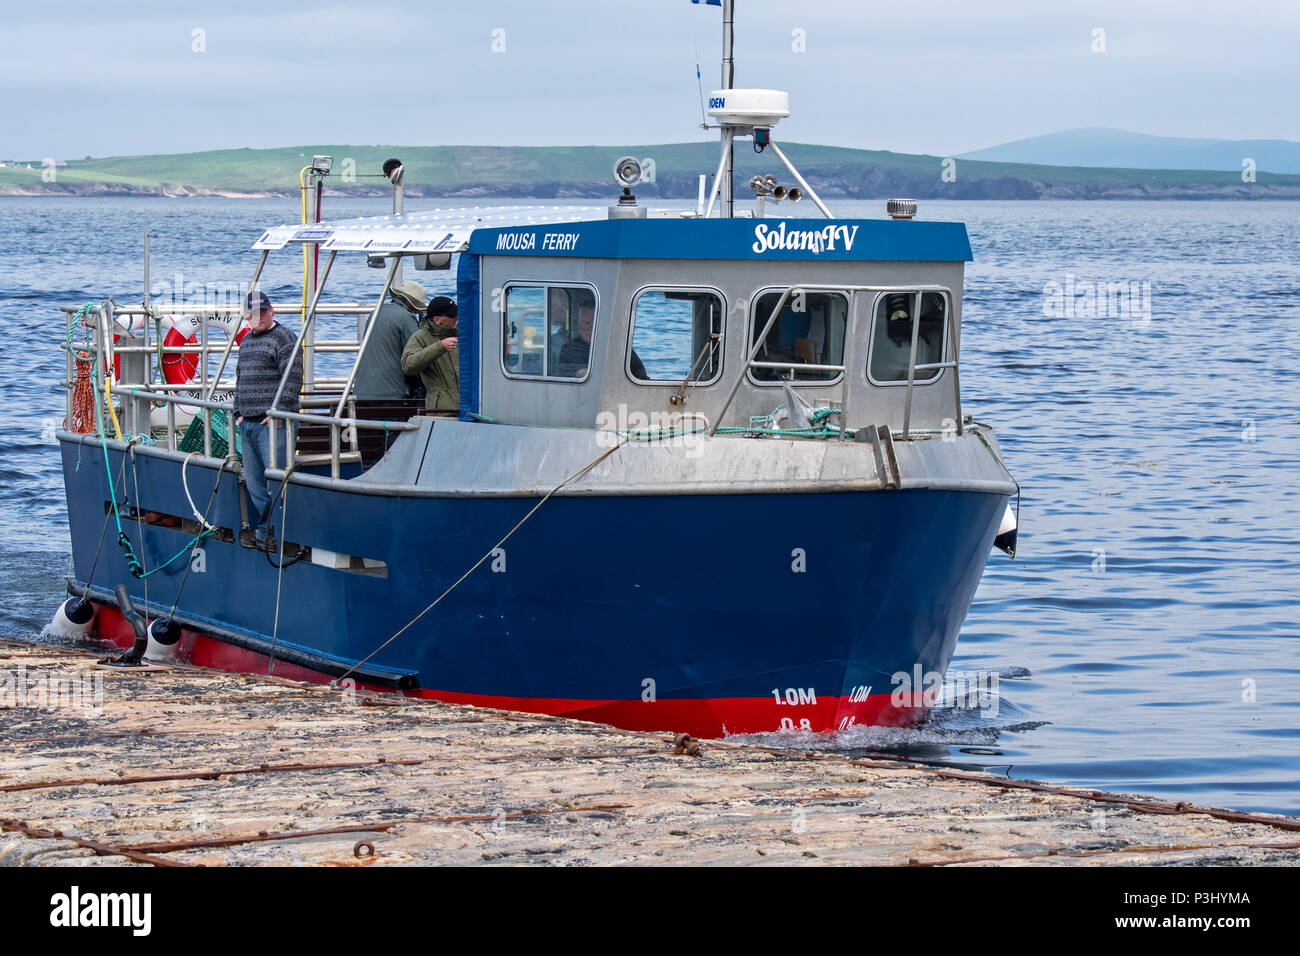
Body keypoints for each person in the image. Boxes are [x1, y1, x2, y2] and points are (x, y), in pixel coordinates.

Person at [235, 290, 302, 549]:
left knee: (277, 482)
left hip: (273, 424)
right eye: (252, 313)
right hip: (249, 423)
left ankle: (277, 534)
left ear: (271, 310)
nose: (257, 317)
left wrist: (279, 412)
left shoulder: (285, 338)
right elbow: (240, 377)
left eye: (261, 312)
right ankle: (266, 532)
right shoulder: (247, 341)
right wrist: (237, 412)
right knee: (255, 486)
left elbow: (293, 378)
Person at [354, 280, 426, 400]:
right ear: (410, 302)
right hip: (390, 391)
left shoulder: (375, 313)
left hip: (361, 388)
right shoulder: (406, 317)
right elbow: (415, 355)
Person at [401, 295, 459, 413]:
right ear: (437, 319)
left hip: (467, 407)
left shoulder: (463, 331)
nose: (456, 317)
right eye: (452, 315)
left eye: (457, 313)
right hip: (441, 409)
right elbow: (408, 365)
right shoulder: (421, 336)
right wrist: (440, 347)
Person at [556, 305, 647, 379]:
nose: (591, 327)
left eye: (595, 322)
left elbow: (640, 376)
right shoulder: (569, 349)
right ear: (580, 326)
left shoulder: (620, 348)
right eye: (587, 323)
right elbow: (571, 373)